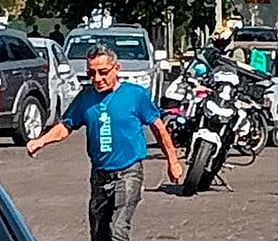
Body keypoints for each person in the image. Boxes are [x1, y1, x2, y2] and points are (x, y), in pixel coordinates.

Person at [25, 45, 183, 241]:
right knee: (99, 233)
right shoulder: (85, 98)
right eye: (91, 73)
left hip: (128, 172)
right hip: (100, 175)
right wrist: (41, 141)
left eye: (103, 72)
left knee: (117, 230)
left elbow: (159, 128)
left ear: (117, 68)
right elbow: (66, 126)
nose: (97, 79)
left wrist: (173, 161)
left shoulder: (135, 95)